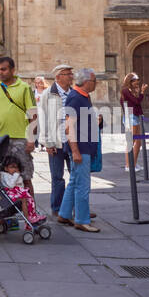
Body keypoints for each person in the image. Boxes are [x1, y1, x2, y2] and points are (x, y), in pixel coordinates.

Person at [56, 68, 100, 232]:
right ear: (87, 82)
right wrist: (75, 151)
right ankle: (81, 220)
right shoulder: (75, 98)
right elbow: (69, 126)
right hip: (81, 148)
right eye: (95, 81)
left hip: (84, 146)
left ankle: (64, 214)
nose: (96, 84)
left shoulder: (83, 96)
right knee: (83, 185)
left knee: (74, 181)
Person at [0, 56, 37, 179]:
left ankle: (28, 199)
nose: (0, 73)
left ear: (12, 70)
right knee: (0, 177)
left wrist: (31, 139)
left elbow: (33, 114)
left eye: (3, 69)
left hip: (21, 140)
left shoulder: (24, 88)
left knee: (24, 177)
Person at [37, 63, 74, 217]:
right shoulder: (48, 94)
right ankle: (57, 208)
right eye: (68, 74)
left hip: (72, 141)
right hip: (56, 142)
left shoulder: (73, 93)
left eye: (71, 73)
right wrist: (47, 143)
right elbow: (42, 119)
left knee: (75, 176)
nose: (71, 76)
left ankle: (76, 208)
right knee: (57, 177)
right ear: (58, 77)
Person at [0, 150, 47, 225]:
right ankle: (27, 218)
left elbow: (20, 184)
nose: (14, 169)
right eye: (12, 167)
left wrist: (17, 176)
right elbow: (10, 185)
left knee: (29, 198)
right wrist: (16, 175)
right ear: (6, 168)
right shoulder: (4, 175)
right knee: (24, 199)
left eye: (16, 167)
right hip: (9, 193)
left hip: (17, 192)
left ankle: (33, 215)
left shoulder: (15, 174)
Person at [120, 71, 146, 172]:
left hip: (135, 116)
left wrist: (139, 92)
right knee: (131, 142)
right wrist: (142, 92)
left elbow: (137, 102)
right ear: (130, 81)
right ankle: (128, 165)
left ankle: (134, 163)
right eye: (135, 81)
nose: (137, 82)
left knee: (138, 142)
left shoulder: (131, 90)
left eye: (138, 80)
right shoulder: (125, 90)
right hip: (130, 116)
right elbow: (137, 101)